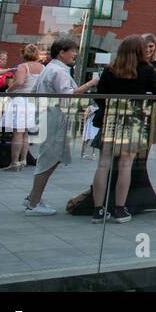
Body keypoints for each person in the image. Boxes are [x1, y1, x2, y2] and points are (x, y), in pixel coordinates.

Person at [90, 34, 156, 223]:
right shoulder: (147, 70)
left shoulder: (110, 70)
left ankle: (98, 209)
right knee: (125, 165)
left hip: (111, 119)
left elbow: (100, 96)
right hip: (133, 120)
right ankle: (119, 209)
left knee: (103, 165)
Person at [23, 38, 98, 216]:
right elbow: (68, 93)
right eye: (72, 51)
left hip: (48, 117)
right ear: (61, 52)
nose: (75, 55)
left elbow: (34, 92)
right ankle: (33, 202)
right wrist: (91, 83)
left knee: (51, 157)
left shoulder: (50, 68)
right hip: (54, 119)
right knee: (48, 158)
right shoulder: (58, 71)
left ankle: (33, 196)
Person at [2, 44, 45, 171]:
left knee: (17, 132)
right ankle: (23, 160)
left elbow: (20, 82)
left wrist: (8, 90)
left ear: (23, 54)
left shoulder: (23, 66)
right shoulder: (43, 67)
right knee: (25, 133)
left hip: (20, 100)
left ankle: (15, 163)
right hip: (32, 101)